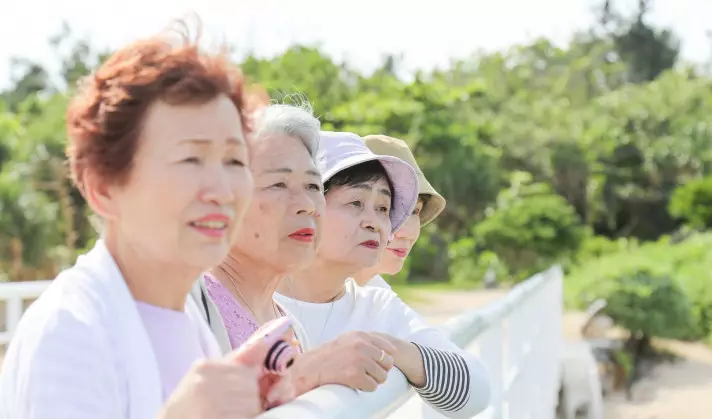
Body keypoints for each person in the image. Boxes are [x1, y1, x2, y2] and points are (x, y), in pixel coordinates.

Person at [0, 22, 289, 419]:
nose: (222, 189)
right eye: (191, 158)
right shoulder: (70, 331)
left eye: (235, 160)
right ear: (103, 187)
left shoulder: (187, 321)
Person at [275, 131, 490, 418]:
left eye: (383, 209)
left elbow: (474, 392)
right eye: (355, 203)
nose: (375, 223)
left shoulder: (378, 307)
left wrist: (387, 348)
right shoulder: (247, 298)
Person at [191, 102, 322, 354]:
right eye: (279, 184)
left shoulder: (292, 326)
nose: (307, 205)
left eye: (313, 186)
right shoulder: (192, 309)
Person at [352, 134, 446, 290]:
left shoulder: (381, 300)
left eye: (415, 211)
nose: (408, 233)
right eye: (386, 208)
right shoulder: (302, 298)